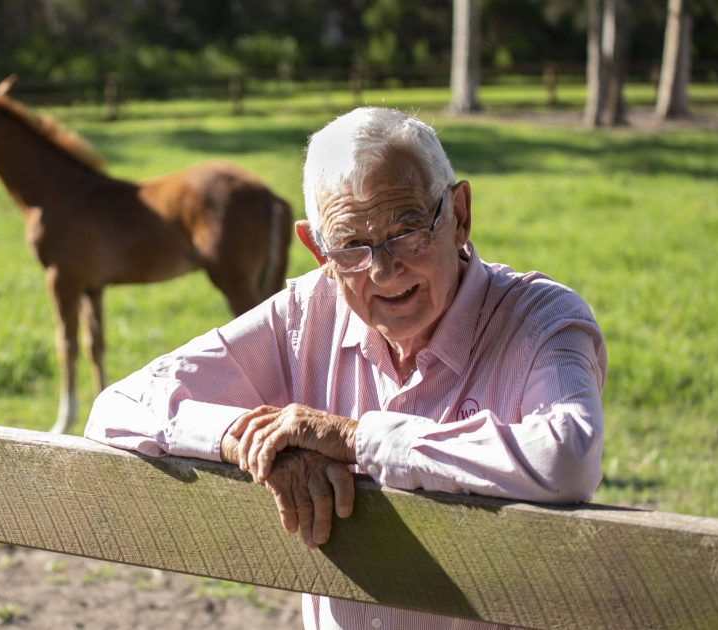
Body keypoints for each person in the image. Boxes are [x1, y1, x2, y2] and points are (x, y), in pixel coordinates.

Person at [84, 106, 607, 630]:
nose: (384, 268)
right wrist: (249, 440)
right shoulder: (306, 313)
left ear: (460, 215)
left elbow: (567, 457)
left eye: (406, 229)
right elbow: (119, 406)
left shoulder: (541, 320)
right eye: (353, 245)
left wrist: (358, 440)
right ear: (319, 251)